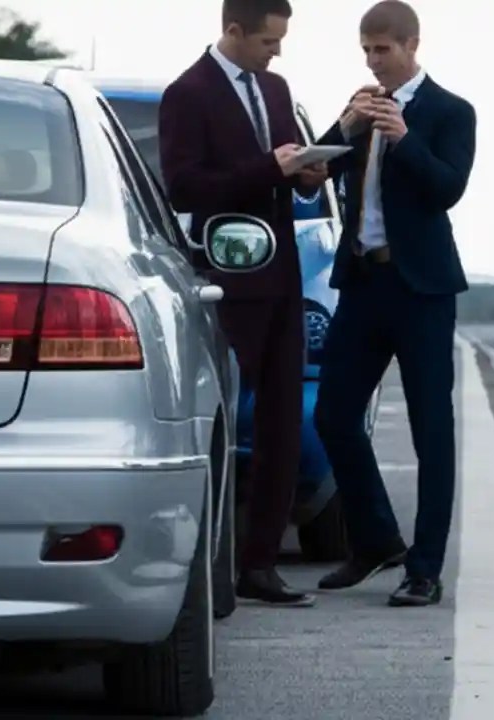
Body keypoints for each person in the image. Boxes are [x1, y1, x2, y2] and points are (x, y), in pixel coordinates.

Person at [159, 0, 328, 607]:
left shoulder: (277, 89)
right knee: (219, 426)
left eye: (279, 41)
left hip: (283, 273)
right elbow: (182, 185)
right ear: (232, 31)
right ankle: (213, 571)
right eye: (266, 41)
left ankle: (261, 567)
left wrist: (306, 173)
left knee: (283, 424)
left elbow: (281, 169)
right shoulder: (189, 92)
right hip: (224, 278)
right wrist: (268, 169)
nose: (275, 51)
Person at [311, 0, 477, 607]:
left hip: (423, 290)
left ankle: (424, 570)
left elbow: (448, 188)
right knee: (332, 415)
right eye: (366, 51)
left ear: (412, 44)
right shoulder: (361, 108)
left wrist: (403, 139)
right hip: (362, 282)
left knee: (432, 430)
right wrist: (343, 129)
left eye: (383, 49)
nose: (374, 61)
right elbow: (314, 172)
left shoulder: (450, 111)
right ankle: (377, 539)